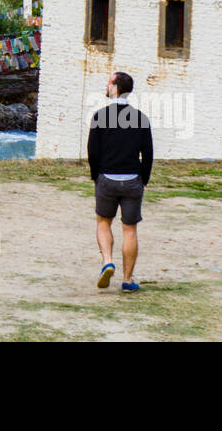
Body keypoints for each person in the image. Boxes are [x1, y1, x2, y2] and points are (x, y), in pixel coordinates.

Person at [87, 71, 153, 293]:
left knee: (103, 222)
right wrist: (143, 178)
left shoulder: (99, 116)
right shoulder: (141, 118)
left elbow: (92, 152)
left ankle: (107, 261)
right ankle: (127, 280)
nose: (106, 85)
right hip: (133, 178)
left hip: (107, 177)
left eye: (109, 82)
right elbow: (148, 153)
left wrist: (96, 175)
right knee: (130, 230)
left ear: (115, 88)